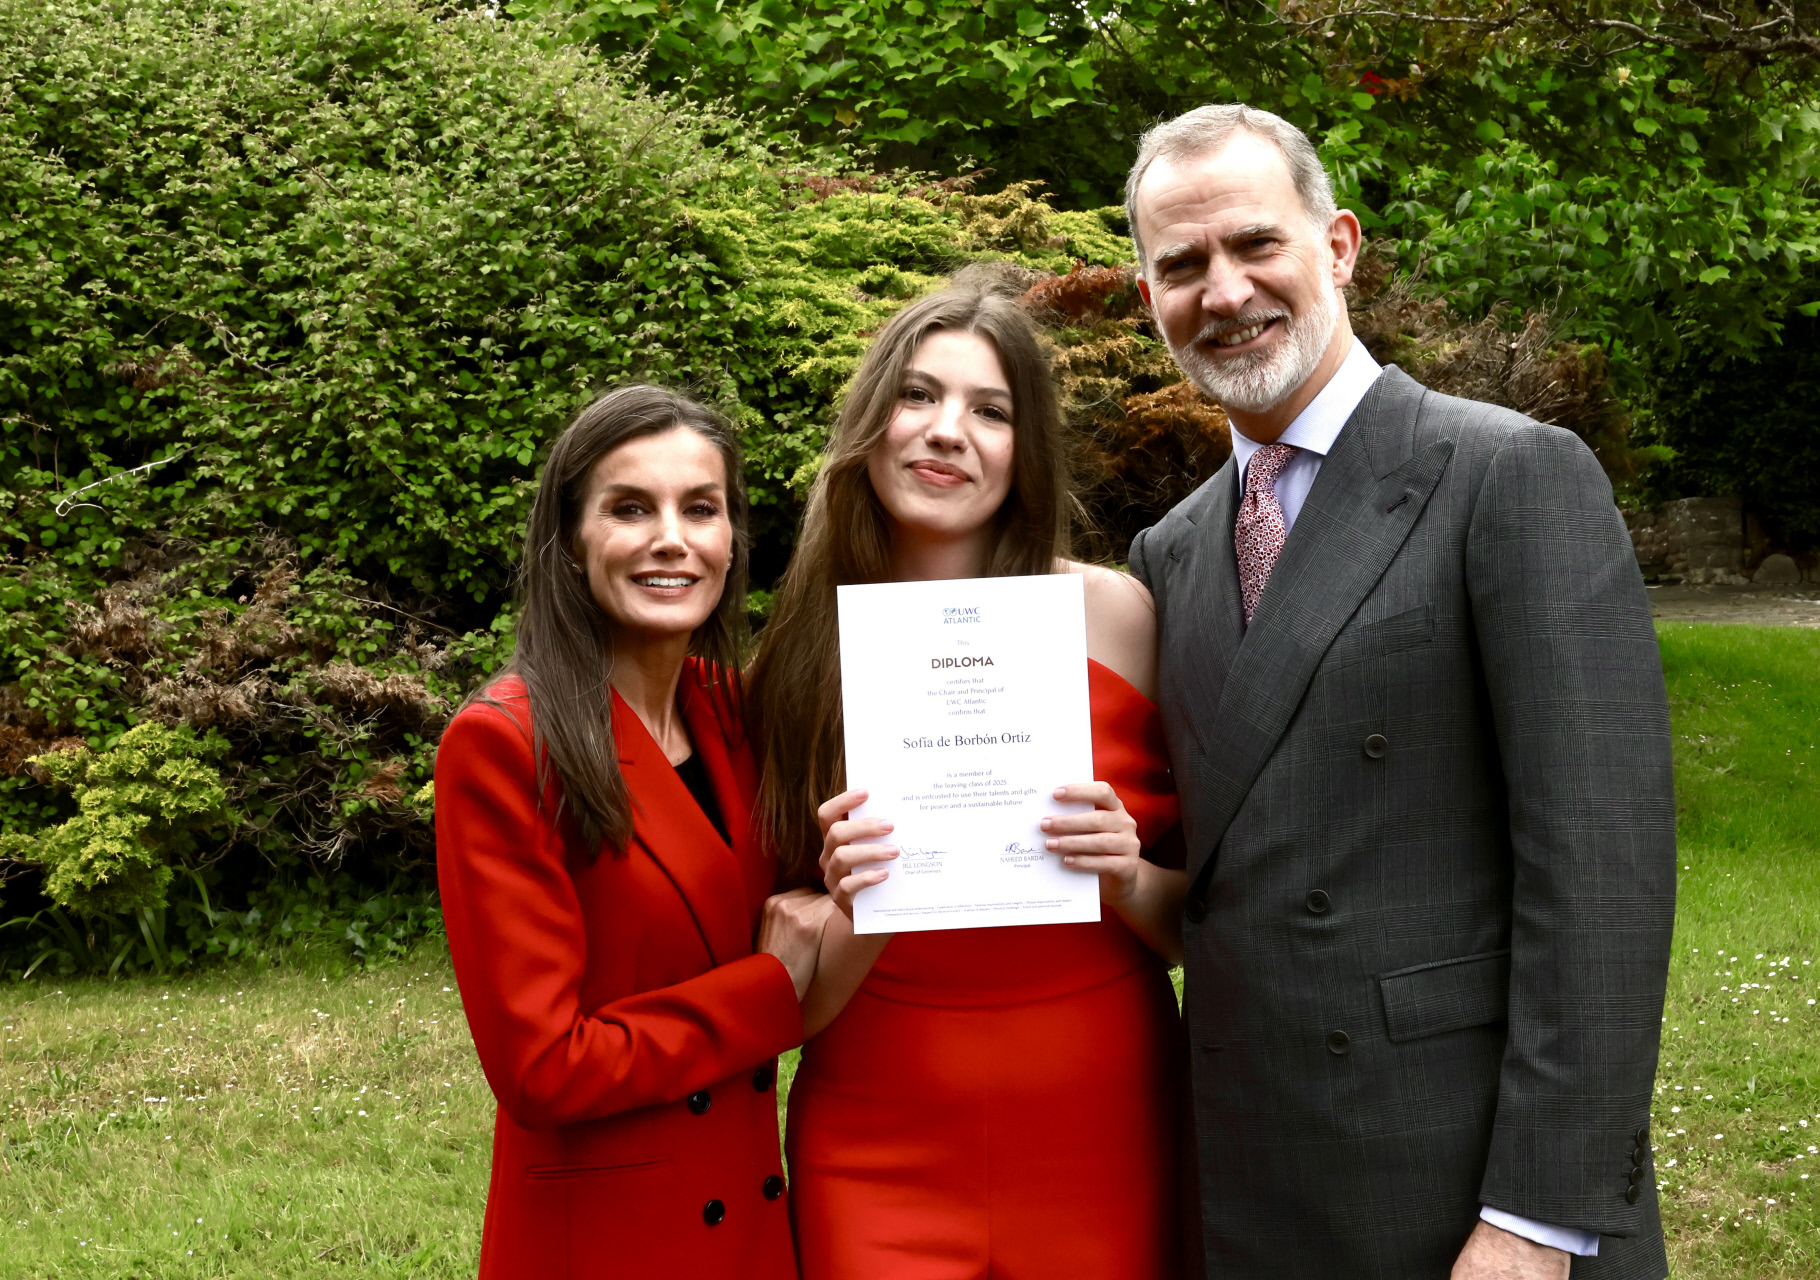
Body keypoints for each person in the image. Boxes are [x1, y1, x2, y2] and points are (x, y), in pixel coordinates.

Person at [1124, 105, 1676, 1280]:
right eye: (1182, 264)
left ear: (1339, 247)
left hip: (1463, 1192)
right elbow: (1208, 881)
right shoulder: (1167, 555)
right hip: (1253, 1181)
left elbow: (1603, 878)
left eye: (1255, 245)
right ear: (1147, 300)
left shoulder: (1508, 474)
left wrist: (1536, 1219)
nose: (1223, 292)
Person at [749, 270, 1190, 1279]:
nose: (948, 429)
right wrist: (851, 904)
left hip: (1103, 1113)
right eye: (917, 395)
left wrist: (1125, 874)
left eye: (989, 410)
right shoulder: (802, 654)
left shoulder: (1123, 619)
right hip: (876, 1126)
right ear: (872, 423)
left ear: (1023, 450)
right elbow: (790, 1001)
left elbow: (1208, 925)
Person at [434, 385, 832, 1280]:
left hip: (752, 1232)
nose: (671, 538)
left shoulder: (739, 714)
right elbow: (544, 1069)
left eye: (701, 508)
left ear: (731, 541)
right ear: (571, 543)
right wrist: (767, 990)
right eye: (629, 508)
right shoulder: (504, 743)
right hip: (610, 1242)